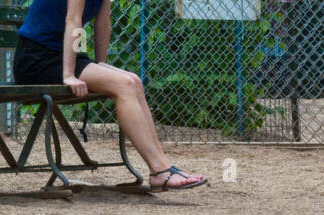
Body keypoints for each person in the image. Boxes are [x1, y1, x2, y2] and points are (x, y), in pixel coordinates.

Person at [13, 0, 206, 190]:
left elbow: (103, 22)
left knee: (134, 82)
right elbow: (72, 20)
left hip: (62, 54)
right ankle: (159, 171)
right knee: (124, 85)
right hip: (36, 59)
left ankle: (163, 166)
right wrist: (69, 75)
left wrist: (101, 64)